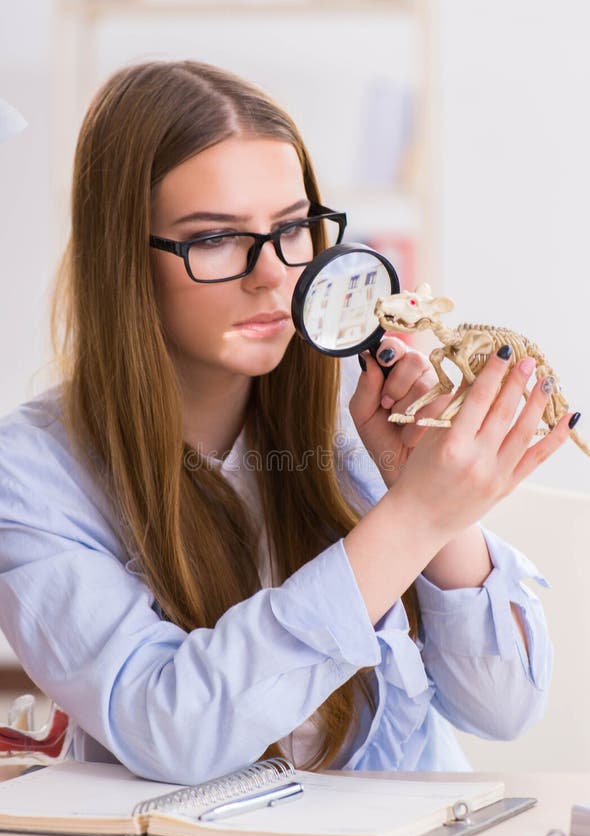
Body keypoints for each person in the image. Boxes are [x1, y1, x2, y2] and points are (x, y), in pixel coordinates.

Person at [0, 60, 576, 785]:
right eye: (214, 237)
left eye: (294, 228)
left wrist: (435, 509)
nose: (272, 273)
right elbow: (169, 728)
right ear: (123, 259)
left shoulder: (358, 408)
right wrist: (411, 518)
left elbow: (504, 708)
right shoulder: (31, 472)